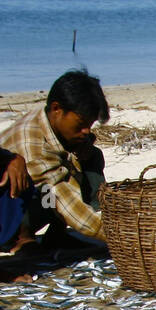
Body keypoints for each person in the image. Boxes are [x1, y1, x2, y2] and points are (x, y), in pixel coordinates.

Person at [0, 70, 109, 242]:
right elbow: (61, 197)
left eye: (90, 125)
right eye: (81, 125)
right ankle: (22, 239)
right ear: (57, 109)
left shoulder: (51, 120)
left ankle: (58, 233)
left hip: (46, 196)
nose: (86, 131)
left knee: (91, 155)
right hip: (11, 215)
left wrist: (81, 150)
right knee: (48, 190)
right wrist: (115, 235)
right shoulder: (33, 144)